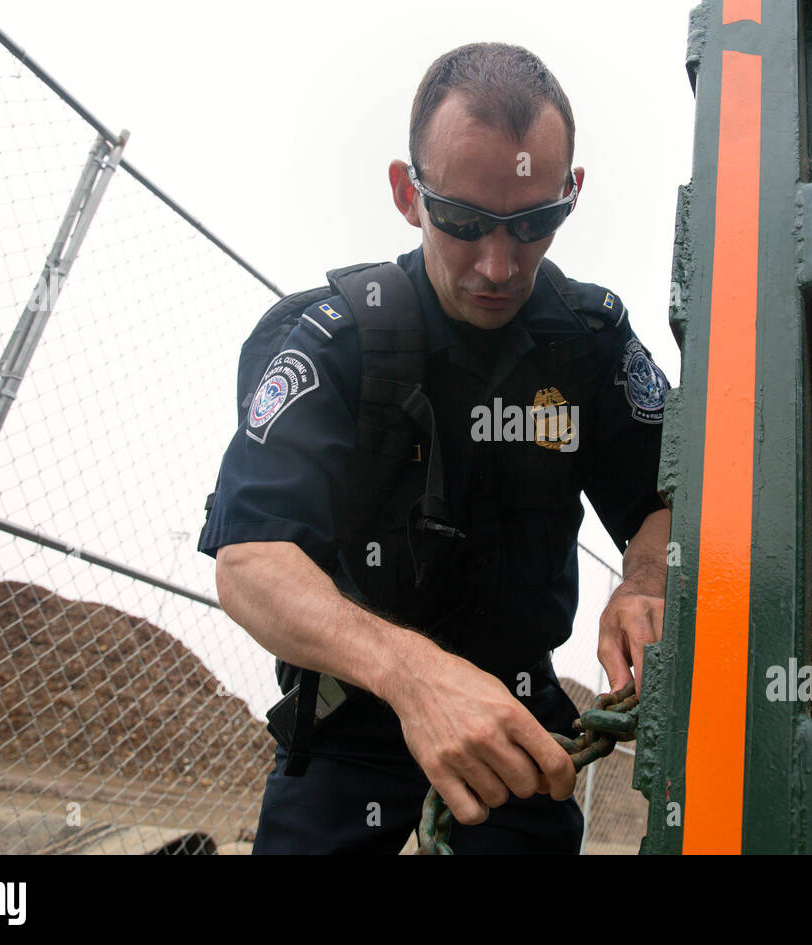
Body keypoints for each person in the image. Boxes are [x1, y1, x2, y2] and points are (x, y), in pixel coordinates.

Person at [199, 42, 671, 854]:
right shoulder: (334, 341)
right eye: (463, 221)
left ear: (572, 196)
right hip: (354, 720)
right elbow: (249, 559)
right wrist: (415, 678)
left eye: (532, 225)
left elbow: (663, 497)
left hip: (522, 721)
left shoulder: (589, 340)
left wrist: (646, 582)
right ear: (406, 194)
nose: (498, 264)